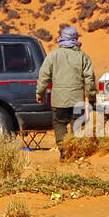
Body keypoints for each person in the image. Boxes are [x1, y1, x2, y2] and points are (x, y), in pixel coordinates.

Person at [36, 25, 96, 154]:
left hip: (59, 101)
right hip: (77, 100)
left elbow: (43, 76)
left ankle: (64, 152)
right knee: (77, 127)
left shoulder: (53, 55)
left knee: (59, 125)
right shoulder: (83, 57)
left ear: (62, 38)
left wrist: (39, 93)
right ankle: (75, 152)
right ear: (75, 39)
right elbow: (89, 80)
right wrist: (92, 98)